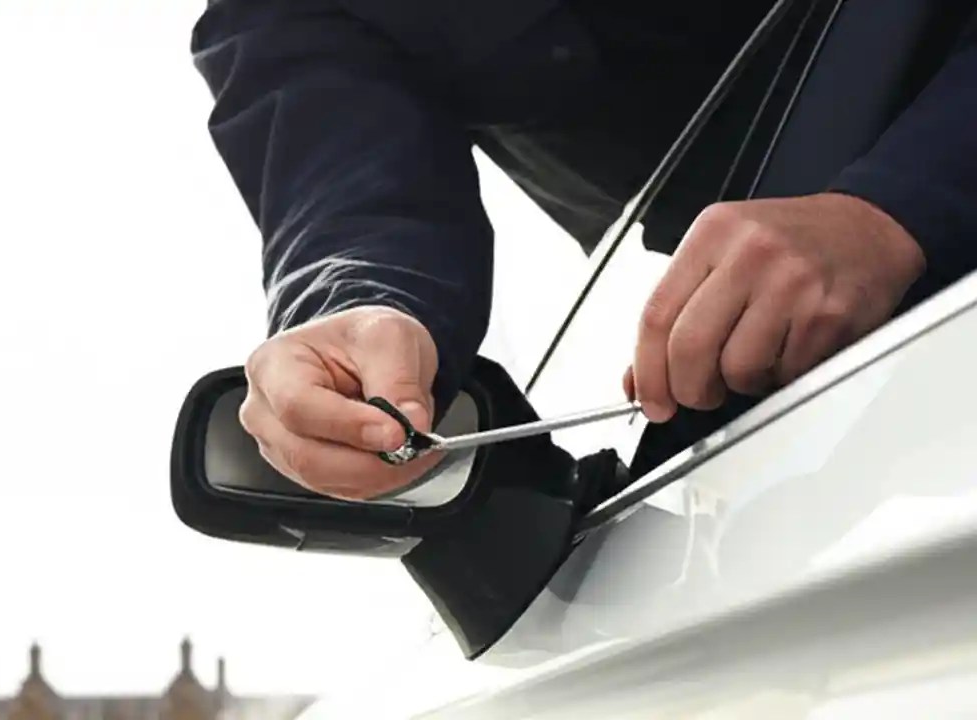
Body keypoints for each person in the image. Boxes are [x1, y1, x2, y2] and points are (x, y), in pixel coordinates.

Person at [189, 0, 977, 500]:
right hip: (815, 427)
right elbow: (347, 183)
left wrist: (899, 206)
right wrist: (356, 315)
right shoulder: (300, 17)